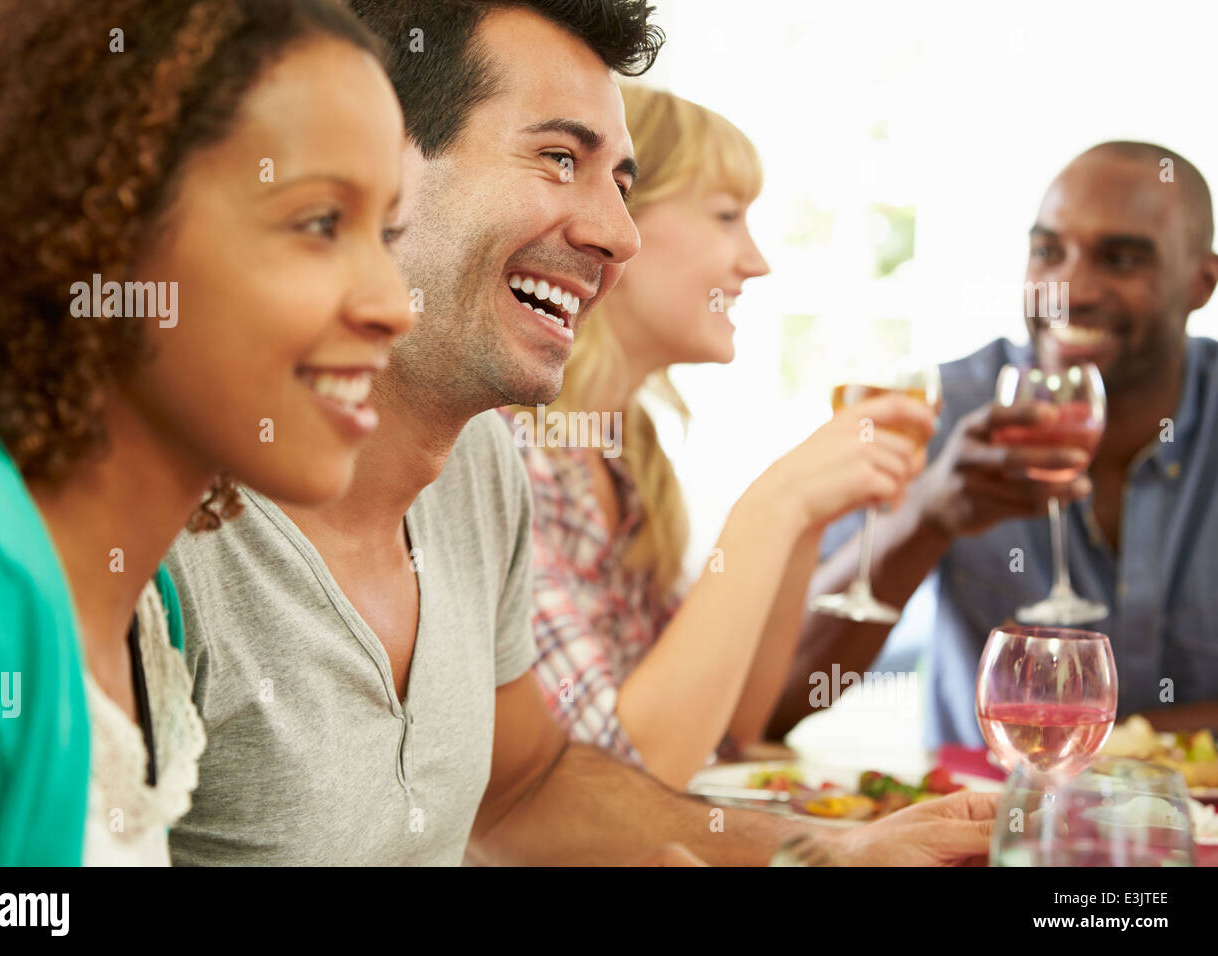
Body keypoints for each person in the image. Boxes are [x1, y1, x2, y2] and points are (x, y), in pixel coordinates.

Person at [165, 0, 995, 867]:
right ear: (380, 159)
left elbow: (527, 786)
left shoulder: (481, 463)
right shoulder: (174, 535)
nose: (618, 236)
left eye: (624, 185)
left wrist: (830, 852)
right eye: (559, 159)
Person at [0, 0, 411, 865]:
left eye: (387, 231)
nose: (393, 305)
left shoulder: (151, 617)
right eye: (319, 223)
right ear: (102, 225)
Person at [499, 85, 935, 789]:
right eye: (727, 217)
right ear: (618, 224)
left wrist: (807, 519)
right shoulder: (509, 448)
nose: (755, 261)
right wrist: (773, 507)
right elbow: (619, 781)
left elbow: (731, 726)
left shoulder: (622, 454)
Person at [774, 142, 1218, 746]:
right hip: (986, 830)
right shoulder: (945, 414)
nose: (1068, 290)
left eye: (1118, 260)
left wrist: (1126, 744)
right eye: (1047, 252)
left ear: (1202, 281)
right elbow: (775, 699)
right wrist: (926, 514)